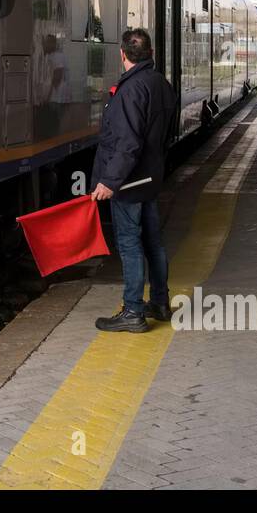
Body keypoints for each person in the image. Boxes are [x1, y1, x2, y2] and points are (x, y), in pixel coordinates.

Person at [90, 28, 177, 332]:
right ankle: (161, 302)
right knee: (154, 242)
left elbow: (127, 143)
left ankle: (133, 311)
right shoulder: (161, 84)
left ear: (122, 54)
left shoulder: (130, 90)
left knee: (129, 244)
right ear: (151, 54)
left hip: (127, 183)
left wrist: (108, 181)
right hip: (150, 178)